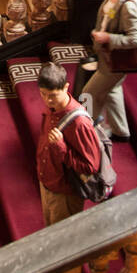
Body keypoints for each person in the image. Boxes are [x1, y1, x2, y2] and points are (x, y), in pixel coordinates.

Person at [82, 0, 137, 141]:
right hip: (108, 56)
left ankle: (83, 130)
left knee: (89, 94)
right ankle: (121, 131)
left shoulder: (129, 4)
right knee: (112, 90)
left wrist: (108, 37)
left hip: (115, 58)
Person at [36, 61, 103, 225]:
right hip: (48, 183)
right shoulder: (52, 109)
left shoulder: (79, 123)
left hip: (64, 192)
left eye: (52, 95)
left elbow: (90, 166)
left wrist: (62, 147)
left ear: (66, 87)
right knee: (49, 233)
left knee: (62, 241)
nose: (47, 100)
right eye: (43, 94)